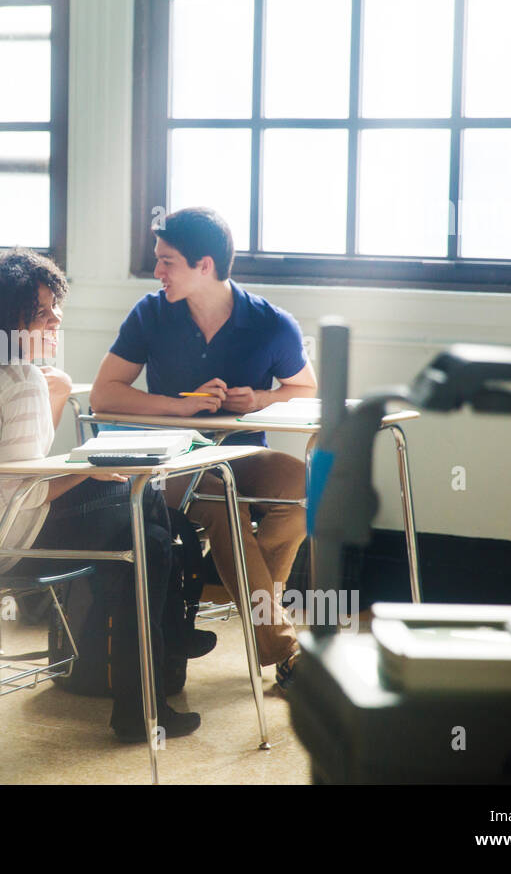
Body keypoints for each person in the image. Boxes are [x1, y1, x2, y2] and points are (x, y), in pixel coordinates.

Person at [0, 248, 200, 742]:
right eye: (41, 311)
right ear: (3, 320)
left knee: (145, 528)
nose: (56, 318)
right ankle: (148, 693)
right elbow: (29, 489)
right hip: (8, 542)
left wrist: (82, 467)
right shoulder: (20, 378)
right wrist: (89, 467)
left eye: (55, 306)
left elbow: (18, 475)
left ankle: (147, 694)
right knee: (149, 516)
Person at [90, 207, 317, 689]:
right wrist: (179, 407)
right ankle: (283, 647)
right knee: (222, 499)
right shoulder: (151, 313)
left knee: (300, 489)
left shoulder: (270, 323)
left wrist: (260, 398)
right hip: (169, 460)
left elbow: (304, 390)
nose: (157, 272)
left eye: (167, 261)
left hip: (241, 455)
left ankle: (263, 615)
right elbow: (104, 393)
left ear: (205, 266)